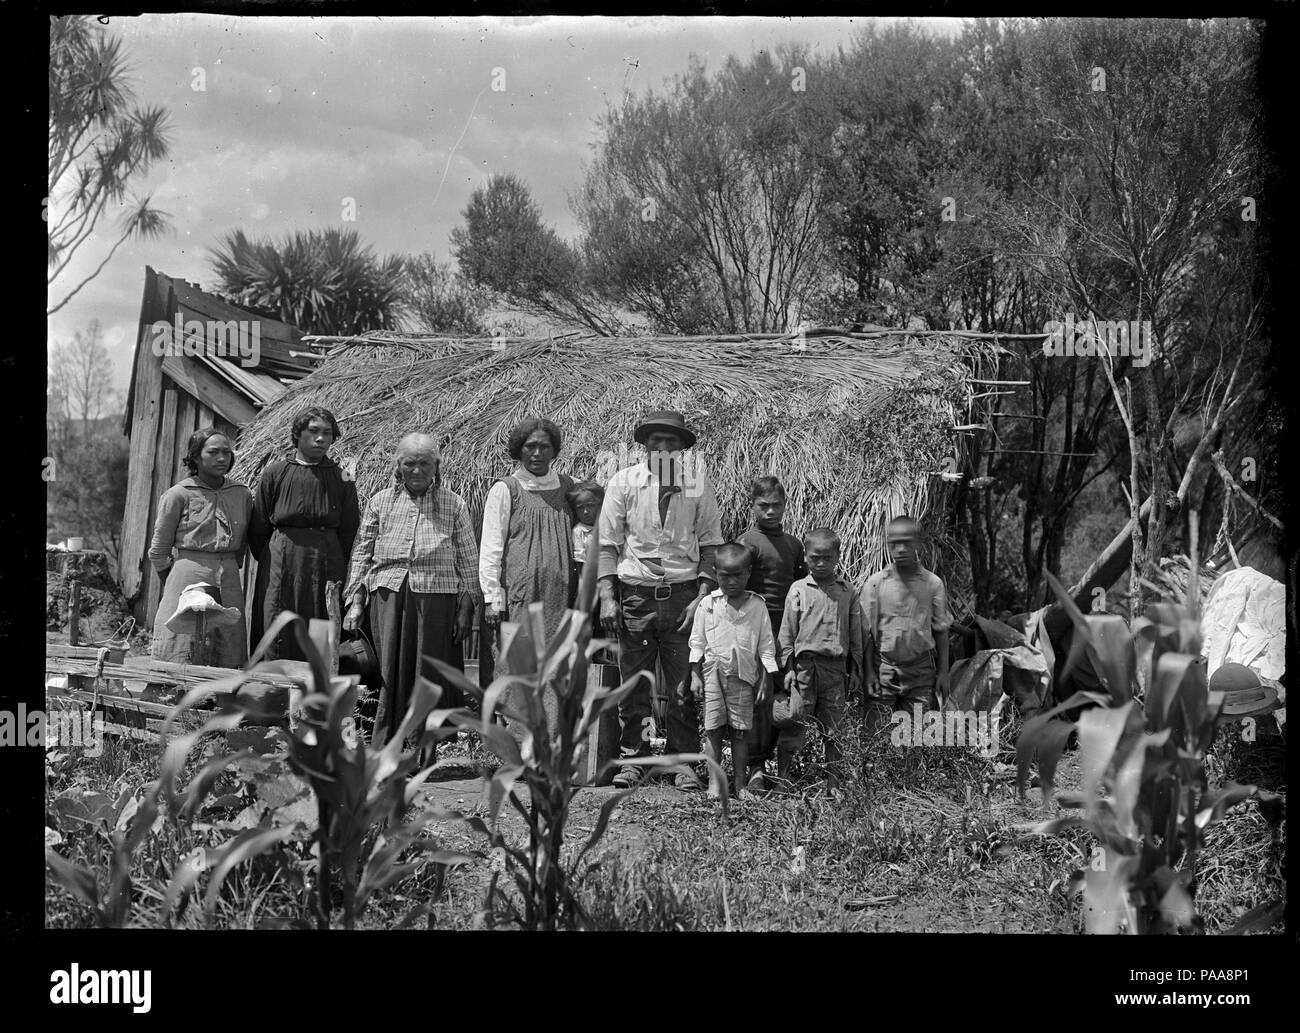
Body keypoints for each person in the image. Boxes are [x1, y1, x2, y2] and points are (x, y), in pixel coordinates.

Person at [598, 410, 724, 790]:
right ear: (646, 445)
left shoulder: (697, 485)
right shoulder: (624, 482)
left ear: (682, 448)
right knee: (634, 683)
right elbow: (607, 543)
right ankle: (634, 761)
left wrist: (702, 595)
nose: (663, 448)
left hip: (684, 598)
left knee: (684, 686)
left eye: (672, 441)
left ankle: (681, 764)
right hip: (636, 595)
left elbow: (711, 545)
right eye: (656, 441)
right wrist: (607, 596)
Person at [343, 433, 481, 748]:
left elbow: (468, 560)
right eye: (409, 464)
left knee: (426, 672)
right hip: (388, 596)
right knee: (388, 671)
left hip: (436, 599)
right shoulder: (380, 501)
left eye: (424, 464)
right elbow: (362, 554)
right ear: (398, 466)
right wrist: (355, 601)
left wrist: (466, 607)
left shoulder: (453, 504)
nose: (417, 471)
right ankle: (384, 742)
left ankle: (422, 746)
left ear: (436, 467)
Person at [249, 406, 361, 661]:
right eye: (313, 431)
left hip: (326, 563)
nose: (320, 438)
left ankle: (316, 695)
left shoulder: (343, 477)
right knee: (277, 620)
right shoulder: (275, 473)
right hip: (281, 564)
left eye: (327, 433)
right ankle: (273, 692)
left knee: (322, 621)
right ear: (298, 434)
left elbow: (349, 530)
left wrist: (335, 561)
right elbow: (259, 528)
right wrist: (275, 558)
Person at [148, 428, 252, 667]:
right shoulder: (178, 494)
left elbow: (242, 542)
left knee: (228, 636)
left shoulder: (241, 494)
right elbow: (158, 550)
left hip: (228, 575)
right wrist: (173, 579)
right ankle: (175, 693)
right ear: (195, 457)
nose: (222, 458)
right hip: (188, 571)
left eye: (226, 452)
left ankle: (223, 697)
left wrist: (228, 566)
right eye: (213, 452)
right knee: (182, 640)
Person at [689, 543, 778, 800]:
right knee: (713, 729)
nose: (731, 581)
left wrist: (765, 679)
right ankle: (716, 784)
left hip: (744, 676)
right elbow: (697, 642)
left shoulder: (757, 606)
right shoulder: (707, 604)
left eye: (738, 575)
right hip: (713, 674)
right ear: (715, 572)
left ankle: (740, 783)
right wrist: (695, 675)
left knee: (740, 731)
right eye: (725, 575)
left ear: (748, 572)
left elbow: (766, 646)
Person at [775, 528, 863, 788]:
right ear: (806, 558)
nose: (821, 563)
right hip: (803, 669)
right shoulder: (798, 590)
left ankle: (833, 784)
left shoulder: (847, 591)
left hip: (835, 671)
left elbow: (856, 633)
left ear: (838, 556)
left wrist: (855, 668)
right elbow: (787, 630)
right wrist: (788, 667)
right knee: (794, 722)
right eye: (815, 558)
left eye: (827, 557)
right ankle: (782, 780)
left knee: (833, 730)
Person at [737, 475, 806, 791]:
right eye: (763, 506)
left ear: (784, 506)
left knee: (782, 701)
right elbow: (735, 589)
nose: (770, 512)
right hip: (755, 632)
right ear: (753, 507)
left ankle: (782, 770)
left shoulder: (794, 545)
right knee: (756, 700)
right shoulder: (747, 542)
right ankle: (755, 767)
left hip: (786, 635)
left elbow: (802, 588)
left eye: (776, 505)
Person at [859, 515, 952, 732]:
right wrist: (869, 673)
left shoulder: (932, 584)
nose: (900, 549)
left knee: (915, 738)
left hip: (920, 672)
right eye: (894, 543)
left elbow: (941, 630)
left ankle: (912, 767)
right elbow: (866, 634)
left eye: (907, 542)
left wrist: (943, 672)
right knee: (877, 738)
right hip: (883, 669)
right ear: (887, 544)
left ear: (918, 543)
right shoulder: (875, 584)